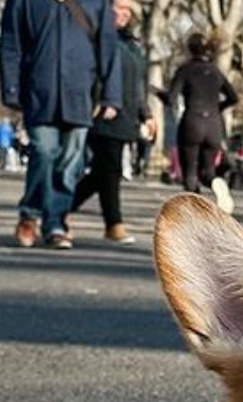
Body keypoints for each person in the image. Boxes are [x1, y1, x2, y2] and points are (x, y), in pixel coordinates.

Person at [0, 0, 124, 250]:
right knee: (43, 153)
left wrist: (111, 96)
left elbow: (109, 50)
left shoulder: (97, 3)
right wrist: (11, 89)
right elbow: (11, 44)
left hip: (79, 95)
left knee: (69, 164)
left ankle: (56, 222)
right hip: (39, 93)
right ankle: (30, 215)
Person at [71, 0, 151, 244]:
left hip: (126, 115)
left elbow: (138, 86)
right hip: (101, 112)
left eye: (127, 11)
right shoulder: (94, 38)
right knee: (110, 169)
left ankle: (58, 207)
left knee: (101, 172)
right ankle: (114, 224)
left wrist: (146, 114)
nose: (122, 15)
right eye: (118, 9)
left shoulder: (133, 46)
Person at [167, 32, 238, 213]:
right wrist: (217, 107)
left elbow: (171, 98)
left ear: (189, 49)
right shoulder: (215, 71)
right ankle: (216, 182)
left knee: (190, 172)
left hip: (192, 121)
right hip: (213, 124)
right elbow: (233, 97)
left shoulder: (186, 70)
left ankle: (196, 213)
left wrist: (156, 93)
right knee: (208, 171)